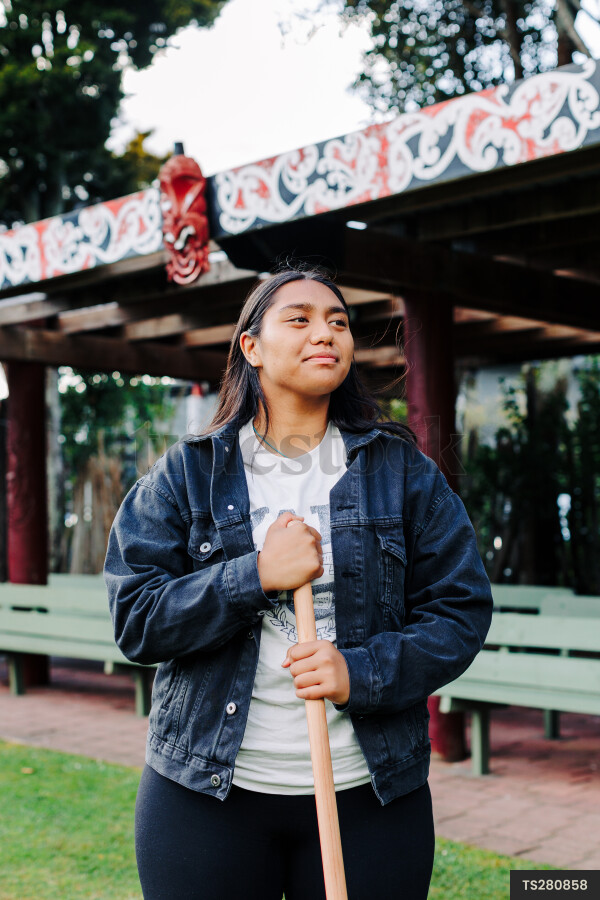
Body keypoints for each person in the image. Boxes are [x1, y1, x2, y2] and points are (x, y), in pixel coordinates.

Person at [104, 265, 493, 900]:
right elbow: (137, 618)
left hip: (367, 794)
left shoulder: (401, 471)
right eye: (301, 319)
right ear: (250, 347)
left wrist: (358, 672)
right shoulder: (188, 473)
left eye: (338, 322)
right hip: (204, 796)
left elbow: (460, 610)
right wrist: (254, 575)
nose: (326, 333)